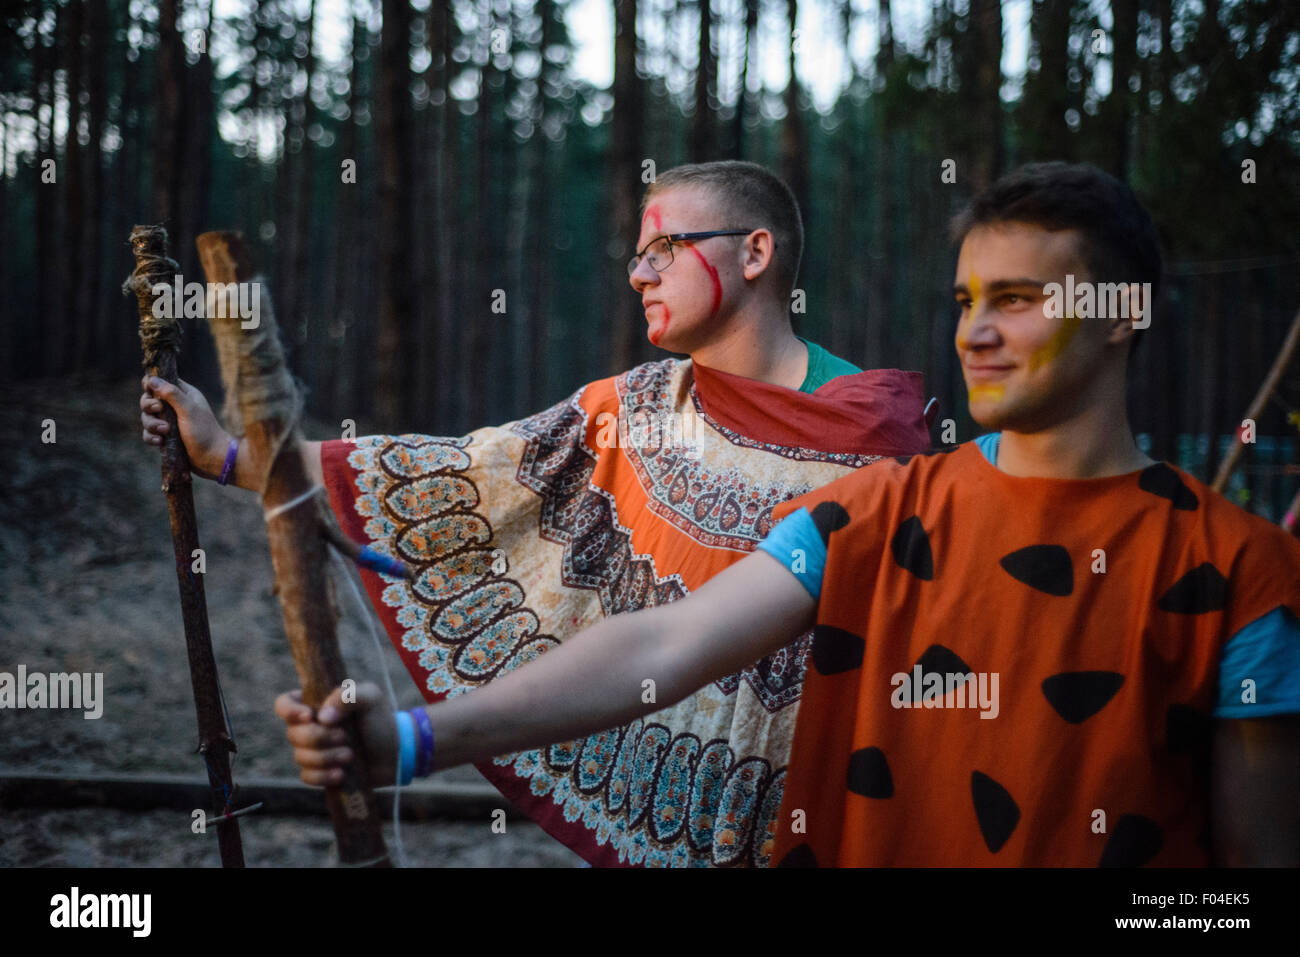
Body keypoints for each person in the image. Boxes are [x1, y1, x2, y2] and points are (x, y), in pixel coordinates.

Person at [277, 161, 1300, 867]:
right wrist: (413, 741)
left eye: (1020, 298)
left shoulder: (1237, 571)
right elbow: (667, 643)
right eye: (964, 300)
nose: (978, 333)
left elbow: (1256, 856)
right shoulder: (874, 514)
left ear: (1121, 314)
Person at [143, 160, 932, 867]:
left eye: (665, 249)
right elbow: (450, 472)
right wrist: (224, 454)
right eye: (636, 257)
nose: (640, 275)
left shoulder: (875, 437)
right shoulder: (629, 411)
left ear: (754, 253)